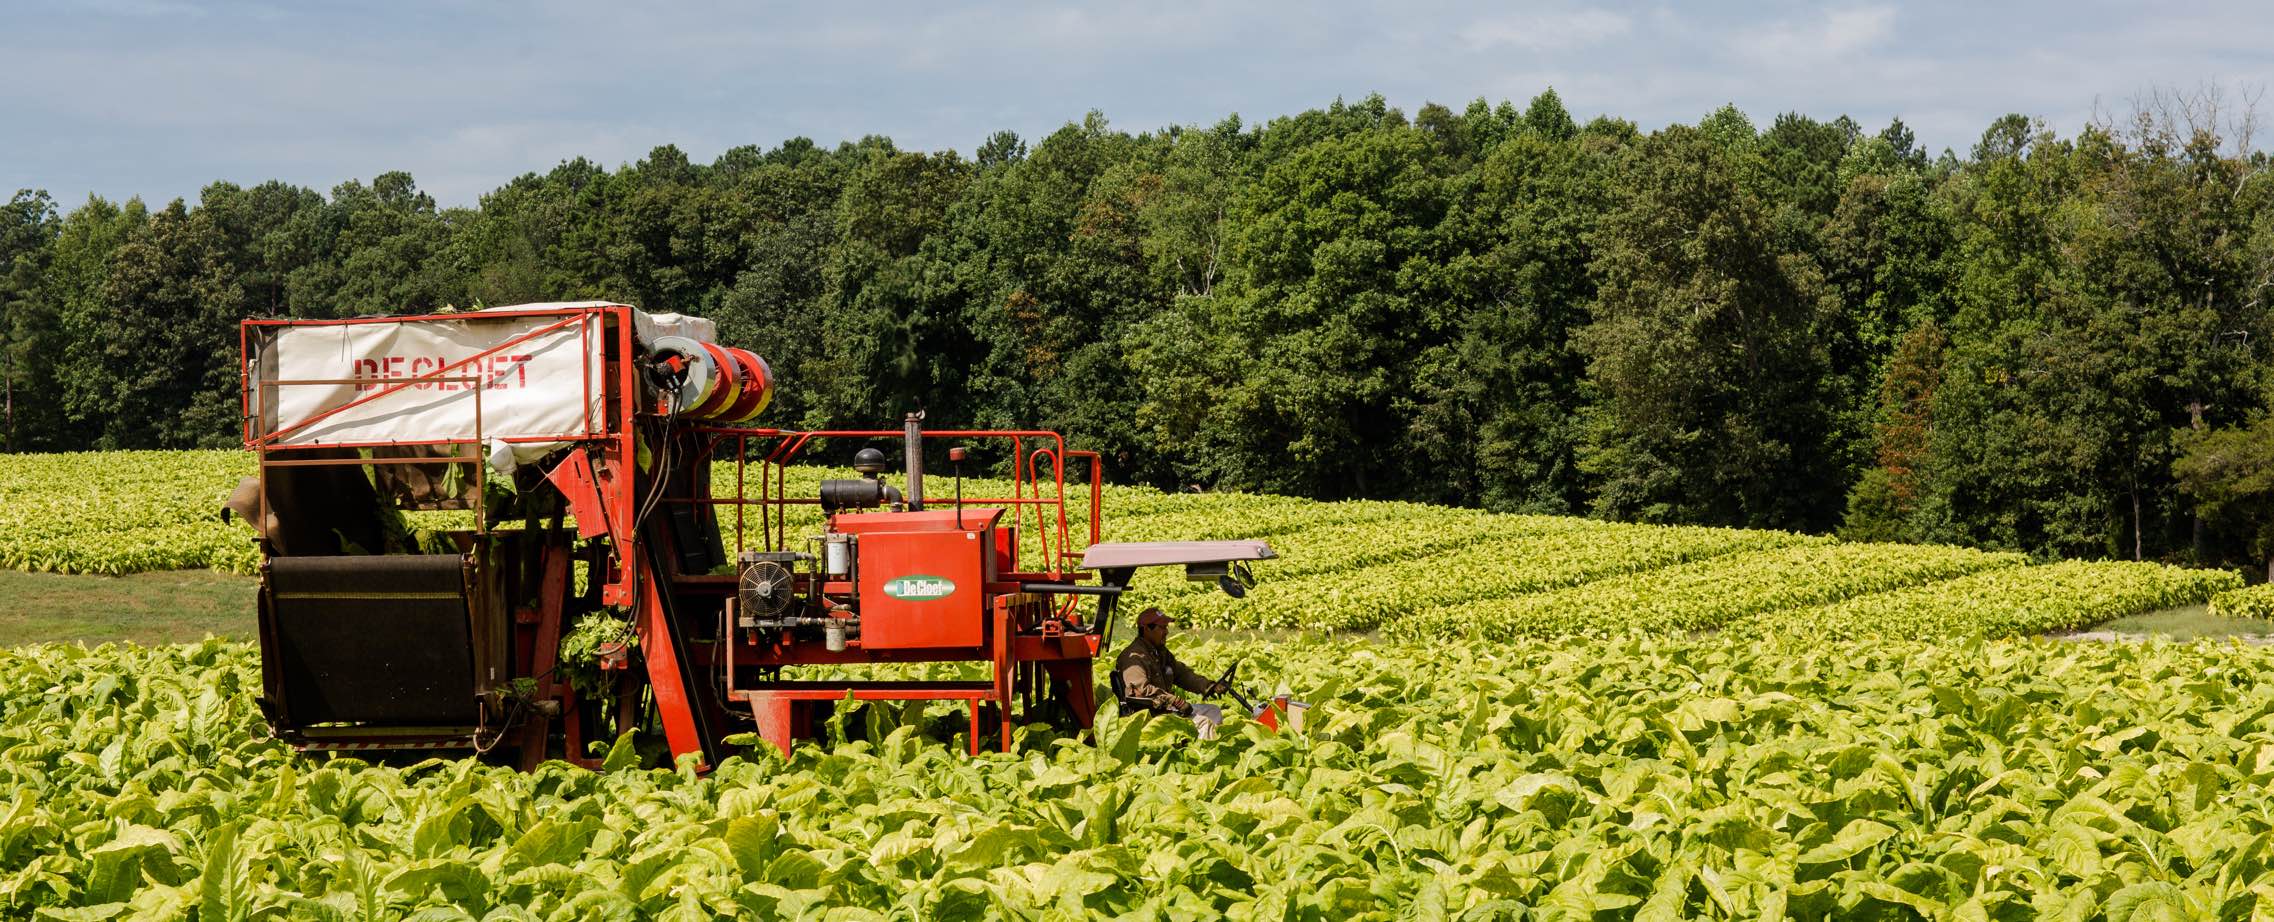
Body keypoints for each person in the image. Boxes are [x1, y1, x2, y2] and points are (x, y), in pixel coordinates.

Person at [1114, 607, 1226, 739]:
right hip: (1149, 716)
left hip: (1164, 709)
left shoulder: (1159, 652)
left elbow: (1182, 674)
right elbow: (1141, 690)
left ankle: (1213, 746)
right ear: (1146, 629)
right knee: (1203, 723)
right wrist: (1175, 702)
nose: (1166, 632)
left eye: (1166, 627)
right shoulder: (1133, 657)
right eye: (1162, 628)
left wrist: (1207, 685)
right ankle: (1203, 755)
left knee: (1213, 711)